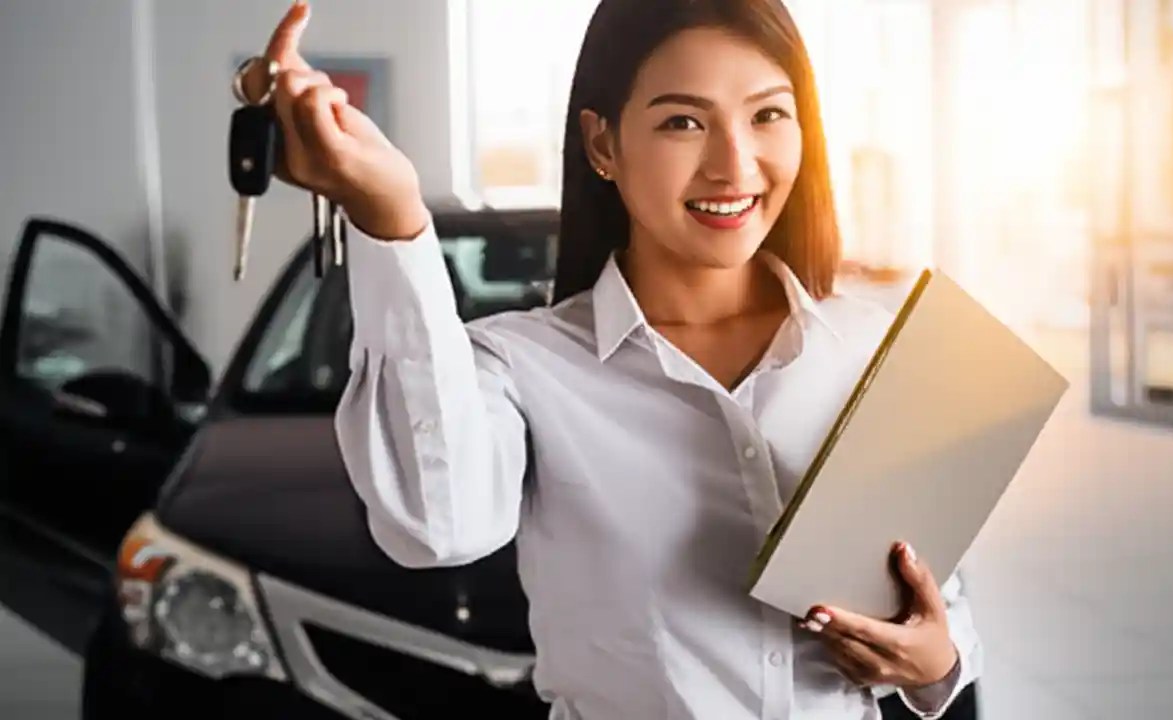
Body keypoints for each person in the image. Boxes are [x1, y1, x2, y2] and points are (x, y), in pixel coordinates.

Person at [240, 0, 982, 717]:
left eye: (767, 114)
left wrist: (933, 661)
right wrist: (391, 214)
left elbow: (937, 618)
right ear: (603, 144)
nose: (735, 164)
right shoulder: (523, 365)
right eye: (683, 121)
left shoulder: (872, 349)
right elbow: (434, 523)